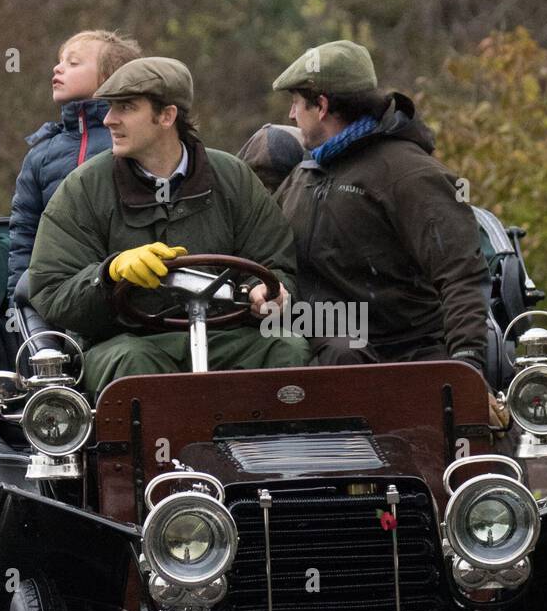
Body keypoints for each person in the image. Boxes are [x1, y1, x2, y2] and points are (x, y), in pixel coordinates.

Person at [27, 57, 309, 397]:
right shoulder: (84, 188)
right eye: (110, 107)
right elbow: (51, 291)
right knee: (132, 364)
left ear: (166, 116)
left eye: (126, 108)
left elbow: (276, 264)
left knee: (287, 349)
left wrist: (269, 292)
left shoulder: (232, 177)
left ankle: (272, 449)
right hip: (127, 342)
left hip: (225, 337)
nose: (108, 120)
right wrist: (108, 274)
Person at [271, 40, 509, 428]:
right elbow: (266, 250)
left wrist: (466, 368)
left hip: (407, 356)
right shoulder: (305, 175)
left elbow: (461, 275)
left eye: (297, 102)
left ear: (323, 106)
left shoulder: (410, 175)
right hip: (322, 345)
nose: (291, 114)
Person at [6, 29, 142, 299]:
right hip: (56, 293)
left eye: (73, 63)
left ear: (109, 78)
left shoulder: (132, 143)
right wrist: (15, 306)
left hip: (120, 287)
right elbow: (24, 236)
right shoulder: (40, 154)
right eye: (60, 61)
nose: (57, 68)